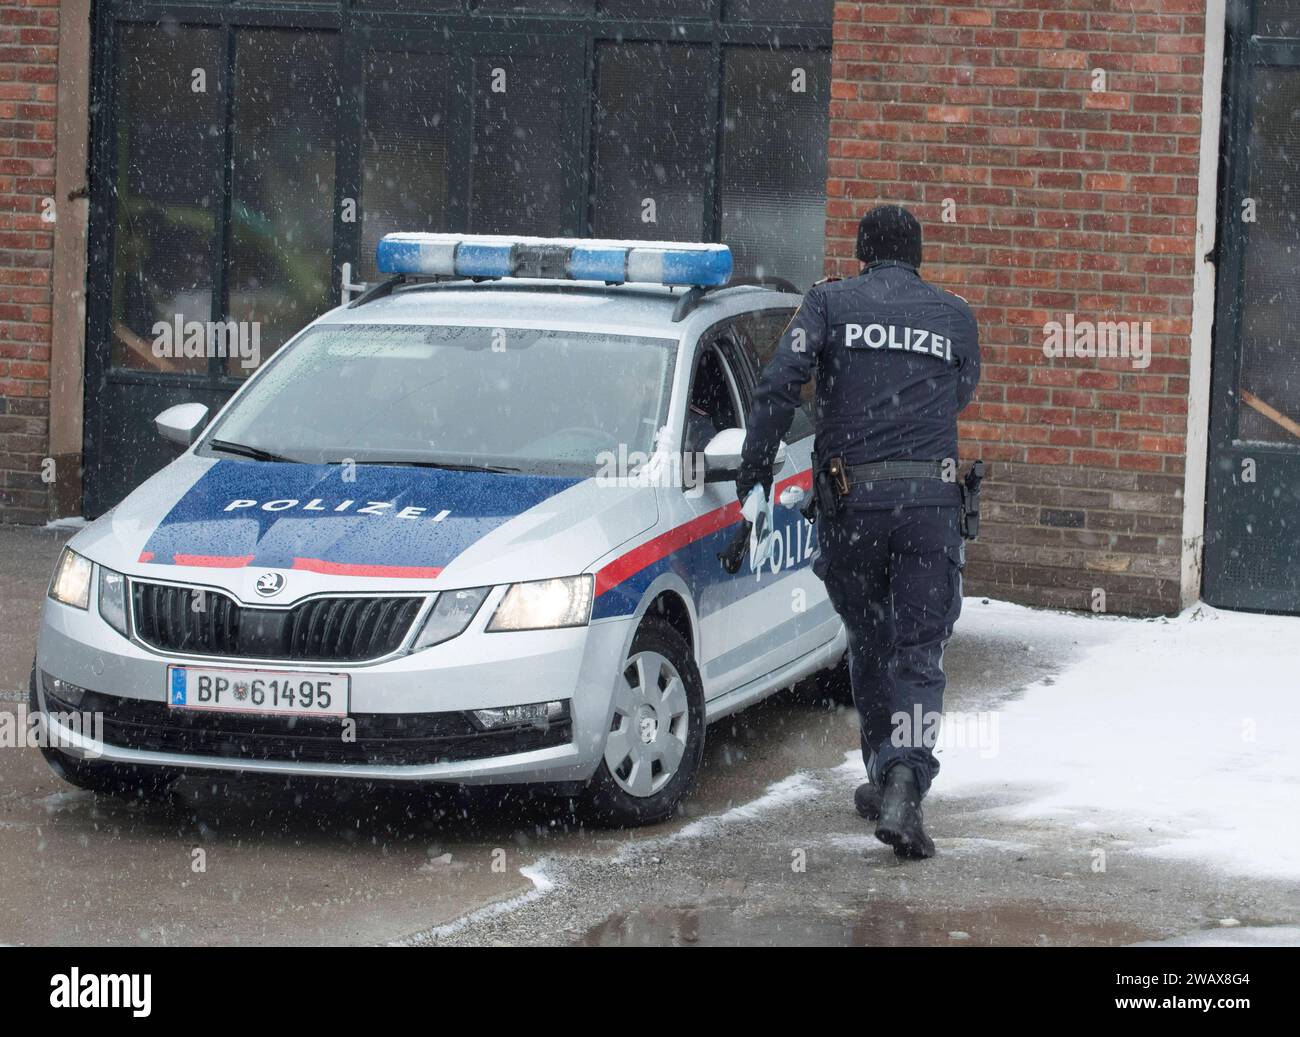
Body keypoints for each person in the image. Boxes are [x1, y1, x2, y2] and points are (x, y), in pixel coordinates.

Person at [736, 205, 981, 859]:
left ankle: (888, 772)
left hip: (853, 506)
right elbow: (961, 391)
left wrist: (753, 473)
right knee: (917, 651)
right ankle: (901, 778)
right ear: (918, 255)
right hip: (931, 504)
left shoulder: (827, 304)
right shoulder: (954, 314)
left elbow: (778, 385)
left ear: (862, 252)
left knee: (871, 641)